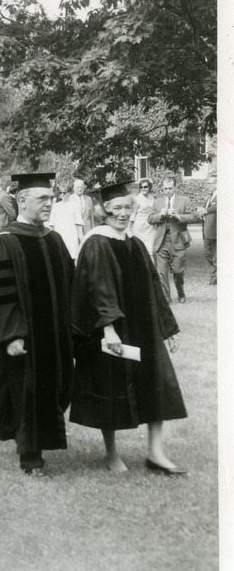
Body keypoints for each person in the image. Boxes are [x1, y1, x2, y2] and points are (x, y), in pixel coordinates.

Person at [70, 181, 188, 475]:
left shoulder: (134, 243)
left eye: (127, 207)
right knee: (110, 387)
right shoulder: (97, 242)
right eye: (117, 208)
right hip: (112, 329)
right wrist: (108, 328)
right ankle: (111, 454)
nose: (123, 213)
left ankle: (156, 453)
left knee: (156, 384)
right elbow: (99, 288)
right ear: (104, 210)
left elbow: (152, 287)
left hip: (144, 328)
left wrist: (166, 327)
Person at [0, 172, 74, 476]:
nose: (50, 204)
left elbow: (69, 287)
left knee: (52, 389)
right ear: (21, 200)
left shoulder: (54, 239)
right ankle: (31, 458)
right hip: (23, 336)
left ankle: (33, 443)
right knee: (28, 392)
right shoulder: (4, 241)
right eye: (42, 199)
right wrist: (12, 335)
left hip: (55, 336)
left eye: (52, 198)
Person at [147, 175, 198, 303]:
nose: (168, 191)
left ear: (175, 188)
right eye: (165, 188)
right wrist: (160, 215)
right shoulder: (157, 202)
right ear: (162, 189)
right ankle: (166, 297)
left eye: (170, 188)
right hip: (161, 241)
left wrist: (178, 216)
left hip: (179, 240)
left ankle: (180, 292)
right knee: (161, 272)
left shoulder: (184, 200)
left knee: (178, 271)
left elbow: (194, 217)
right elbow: (150, 219)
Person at [47, 182, 84, 261]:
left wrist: (80, 235)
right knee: (61, 256)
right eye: (60, 193)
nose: (62, 195)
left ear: (69, 193)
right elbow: (52, 223)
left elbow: (78, 221)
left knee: (72, 255)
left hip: (71, 235)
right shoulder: (56, 206)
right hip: (60, 234)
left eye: (64, 192)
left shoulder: (73, 205)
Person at [129, 178, 158, 260]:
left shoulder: (152, 198)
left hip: (149, 228)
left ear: (149, 187)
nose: (143, 189)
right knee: (140, 252)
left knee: (150, 252)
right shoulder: (137, 199)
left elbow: (154, 212)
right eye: (141, 187)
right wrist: (129, 229)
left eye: (145, 187)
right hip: (139, 228)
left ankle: (151, 271)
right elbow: (132, 215)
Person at [197, 174, 217, 286]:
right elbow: (205, 208)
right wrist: (201, 210)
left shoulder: (220, 196)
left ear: (216, 184)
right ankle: (218, 271)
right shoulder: (210, 197)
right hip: (207, 231)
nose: (207, 185)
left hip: (215, 231)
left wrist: (205, 210)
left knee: (216, 256)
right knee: (207, 253)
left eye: (210, 183)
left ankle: (214, 280)